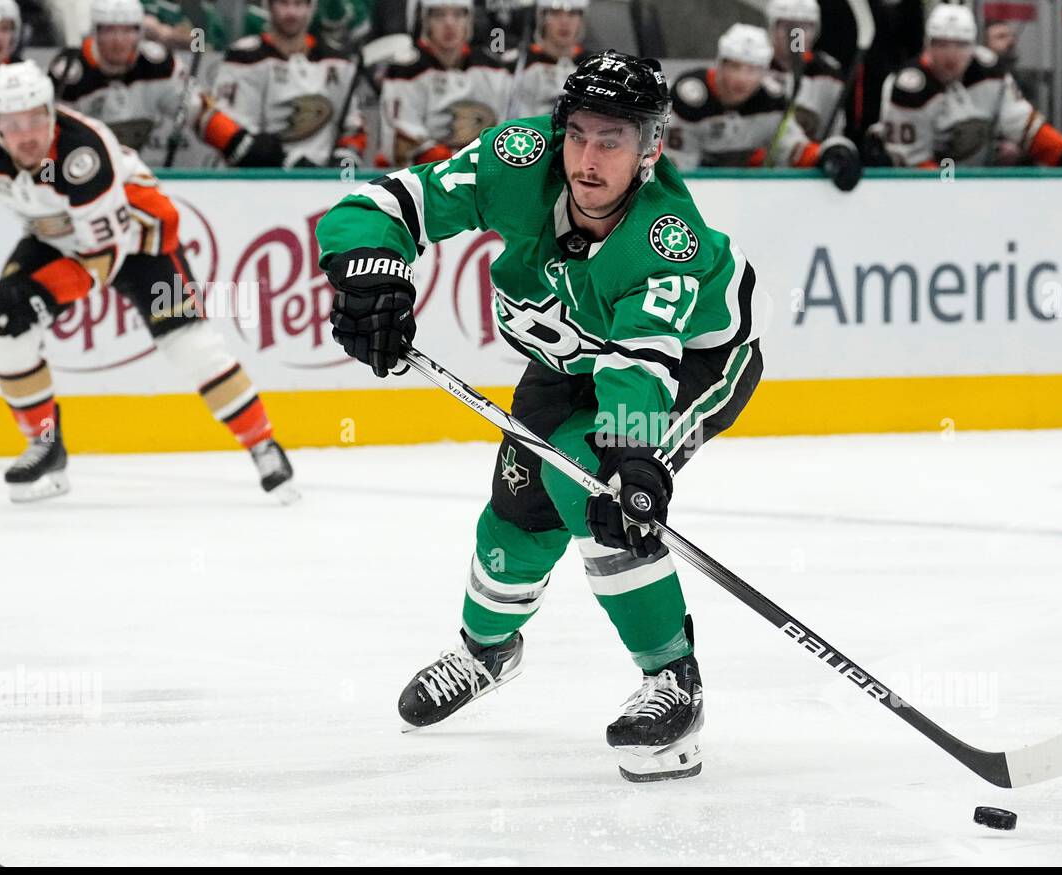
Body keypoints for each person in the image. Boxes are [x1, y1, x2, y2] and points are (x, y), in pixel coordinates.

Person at [315, 51, 770, 782]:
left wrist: (632, 458)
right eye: (580, 134)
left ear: (651, 148)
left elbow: (640, 367)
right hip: (574, 361)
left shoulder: (663, 240)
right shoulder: (515, 158)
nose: (589, 159)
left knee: (597, 489)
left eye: (613, 141)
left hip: (695, 363)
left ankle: (673, 683)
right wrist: (371, 268)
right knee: (516, 513)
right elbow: (383, 207)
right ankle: (487, 652)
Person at [0, 60, 295, 503]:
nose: (26, 134)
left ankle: (263, 444)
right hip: (56, 234)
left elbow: (103, 256)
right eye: (11, 123)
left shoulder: (83, 153)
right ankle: (46, 445)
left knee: (191, 346)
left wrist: (45, 299)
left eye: (35, 118)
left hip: (141, 242)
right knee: (5, 324)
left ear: (52, 112)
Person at [50, 0, 280, 170]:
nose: (119, 40)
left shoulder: (157, 64)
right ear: (95, 32)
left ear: (140, 32)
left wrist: (237, 143)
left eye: (127, 30)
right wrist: (48, 179)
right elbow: (48, 140)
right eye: (109, 30)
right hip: (79, 176)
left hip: (132, 172)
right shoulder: (69, 73)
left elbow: (195, 110)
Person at [879, 3, 1062, 168]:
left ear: (973, 45)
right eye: (941, 44)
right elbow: (911, 163)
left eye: (960, 45)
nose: (951, 54)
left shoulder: (990, 72)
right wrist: (950, 193)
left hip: (978, 183)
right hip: (926, 195)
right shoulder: (909, 88)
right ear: (927, 45)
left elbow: (1024, 126)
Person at [666, 23, 862, 189]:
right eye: (735, 66)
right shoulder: (689, 97)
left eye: (753, 70)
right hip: (697, 198)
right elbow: (676, 171)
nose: (742, 79)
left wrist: (827, 154)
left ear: (765, 71)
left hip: (745, 198)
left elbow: (792, 149)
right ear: (720, 64)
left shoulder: (772, 100)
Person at [211, 0, 365, 167]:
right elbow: (228, 125)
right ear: (269, 6)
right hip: (257, 181)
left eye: (299, 4)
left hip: (322, 182)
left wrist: (344, 161)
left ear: (311, 8)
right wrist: (261, 154)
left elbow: (354, 128)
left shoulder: (337, 61)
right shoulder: (243, 57)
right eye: (283, 3)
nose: (291, 12)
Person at [379, 0, 512, 167]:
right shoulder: (405, 71)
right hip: (425, 181)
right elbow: (402, 145)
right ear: (424, 20)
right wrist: (457, 162)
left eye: (458, 14)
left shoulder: (494, 70)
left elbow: (508, 131)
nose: (449, 23)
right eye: (439, 15)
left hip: (482, 176)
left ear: (469, 19)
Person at [767, 0, 845, 139]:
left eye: (804, 27)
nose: (795, 37)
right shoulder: (754, 67)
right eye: (788, 26)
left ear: (816, 31)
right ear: (773, 28)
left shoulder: (828, 73)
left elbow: (833, 132)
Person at [508, 0, 586, 119]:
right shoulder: (517, 63)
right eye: (555, 13)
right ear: (542, 17)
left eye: (572, 14)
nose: (564, 22)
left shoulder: (592, 66)